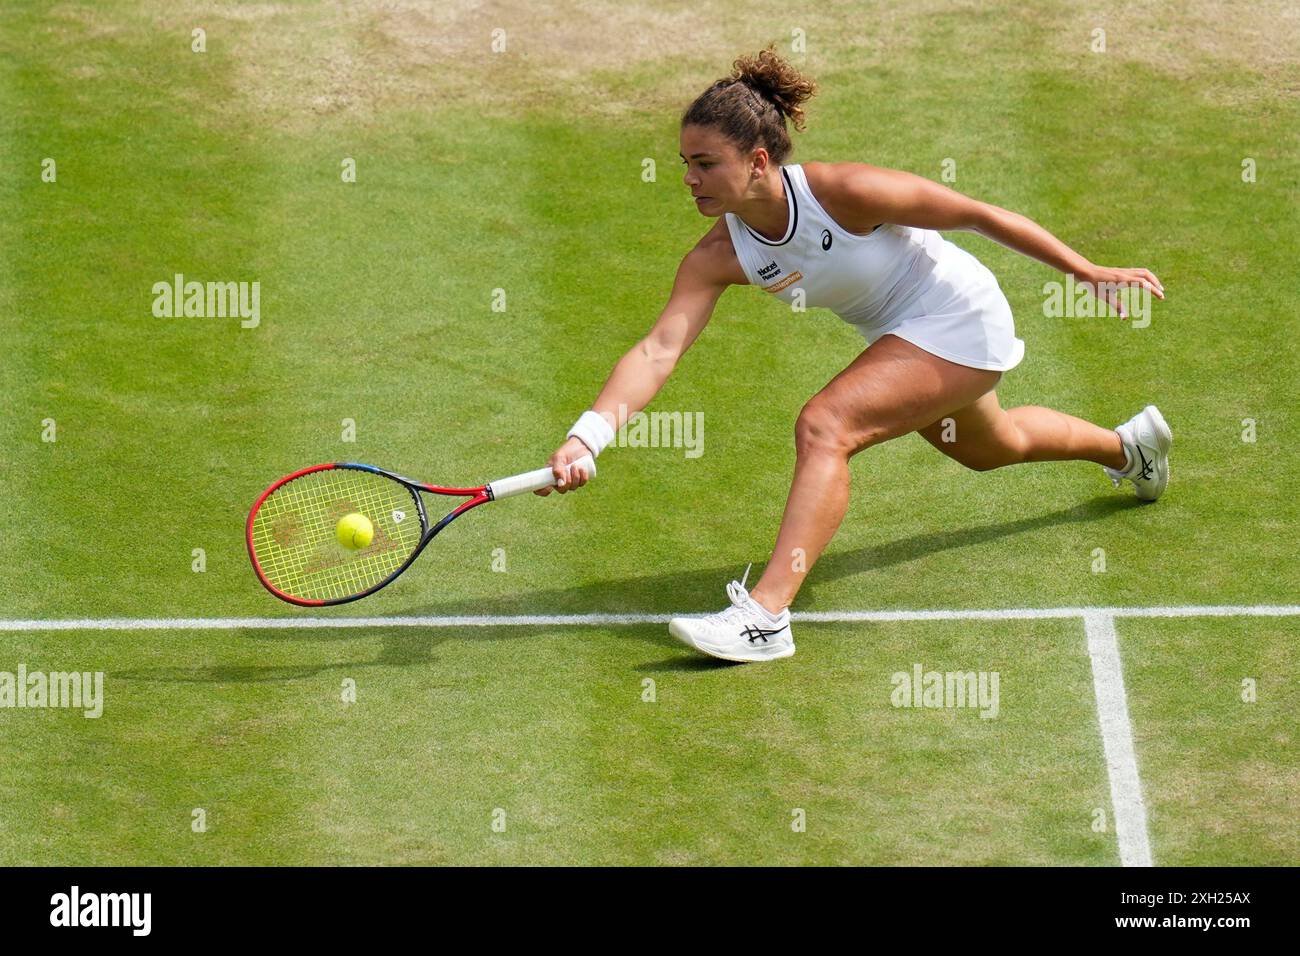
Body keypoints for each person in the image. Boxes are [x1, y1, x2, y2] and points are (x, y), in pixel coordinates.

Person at [537, 47, 1170, 663]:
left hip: (957, 315)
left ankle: (765, 618)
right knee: (989, 446)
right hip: (900, 339)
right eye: (685, 162)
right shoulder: (719, 255)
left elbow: (976, 214)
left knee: (825, 425)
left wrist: (1087, 271)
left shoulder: (844, 192)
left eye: (704, 163)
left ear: (757, 161)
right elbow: (658, 349)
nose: (688, 178)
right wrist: (587, 437)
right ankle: (1130, 448)